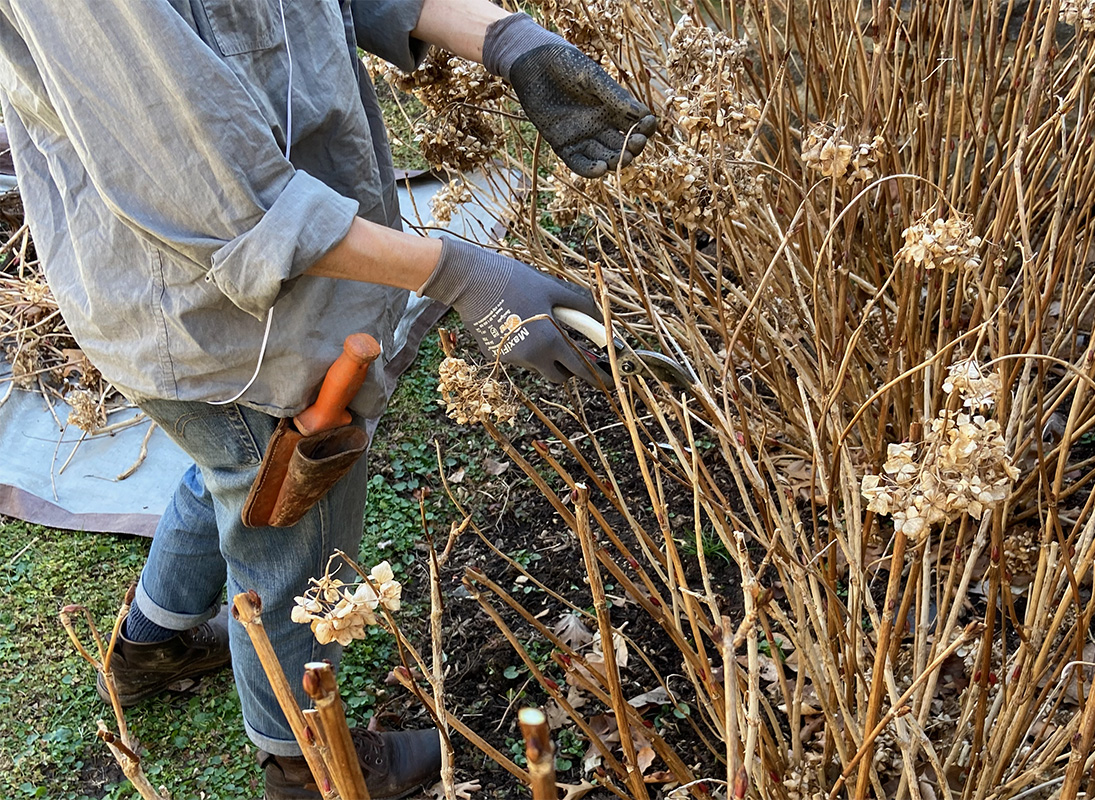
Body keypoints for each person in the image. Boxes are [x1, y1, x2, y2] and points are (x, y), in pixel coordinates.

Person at [0, 0, 656, 796]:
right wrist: (458, 274)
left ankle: (153, 641)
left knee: (245, 463)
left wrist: (505, 39)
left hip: (265, 296)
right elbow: (223, 203)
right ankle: (300, 762)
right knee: (291, 525)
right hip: (216, 309)